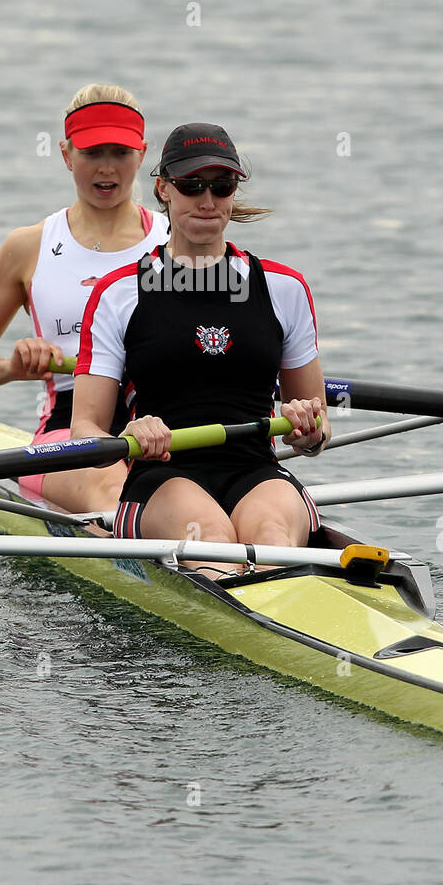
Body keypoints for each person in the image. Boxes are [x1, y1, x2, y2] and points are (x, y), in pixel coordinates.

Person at [71, 122, 330, 573]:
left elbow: (317, 427)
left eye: (221, 185)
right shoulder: (119, 293)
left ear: (234, 190)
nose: (207, 201)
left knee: (270, 537)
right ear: (163, 189)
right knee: (211, 540)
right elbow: (85, 429)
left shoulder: (284, 287)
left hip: (255, 469)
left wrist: (307, 430)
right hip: (162, 476)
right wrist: (127, 438)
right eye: (191, 186)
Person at [0, 84, 168, 512]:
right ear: (66, 155)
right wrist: (10, 368)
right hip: (68, 432)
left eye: (120, 153)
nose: (107, 169)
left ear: (141, 155)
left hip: (166, 425)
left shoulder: (176, 240)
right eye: (91, 153)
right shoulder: (29, 246)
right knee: (118, 491)